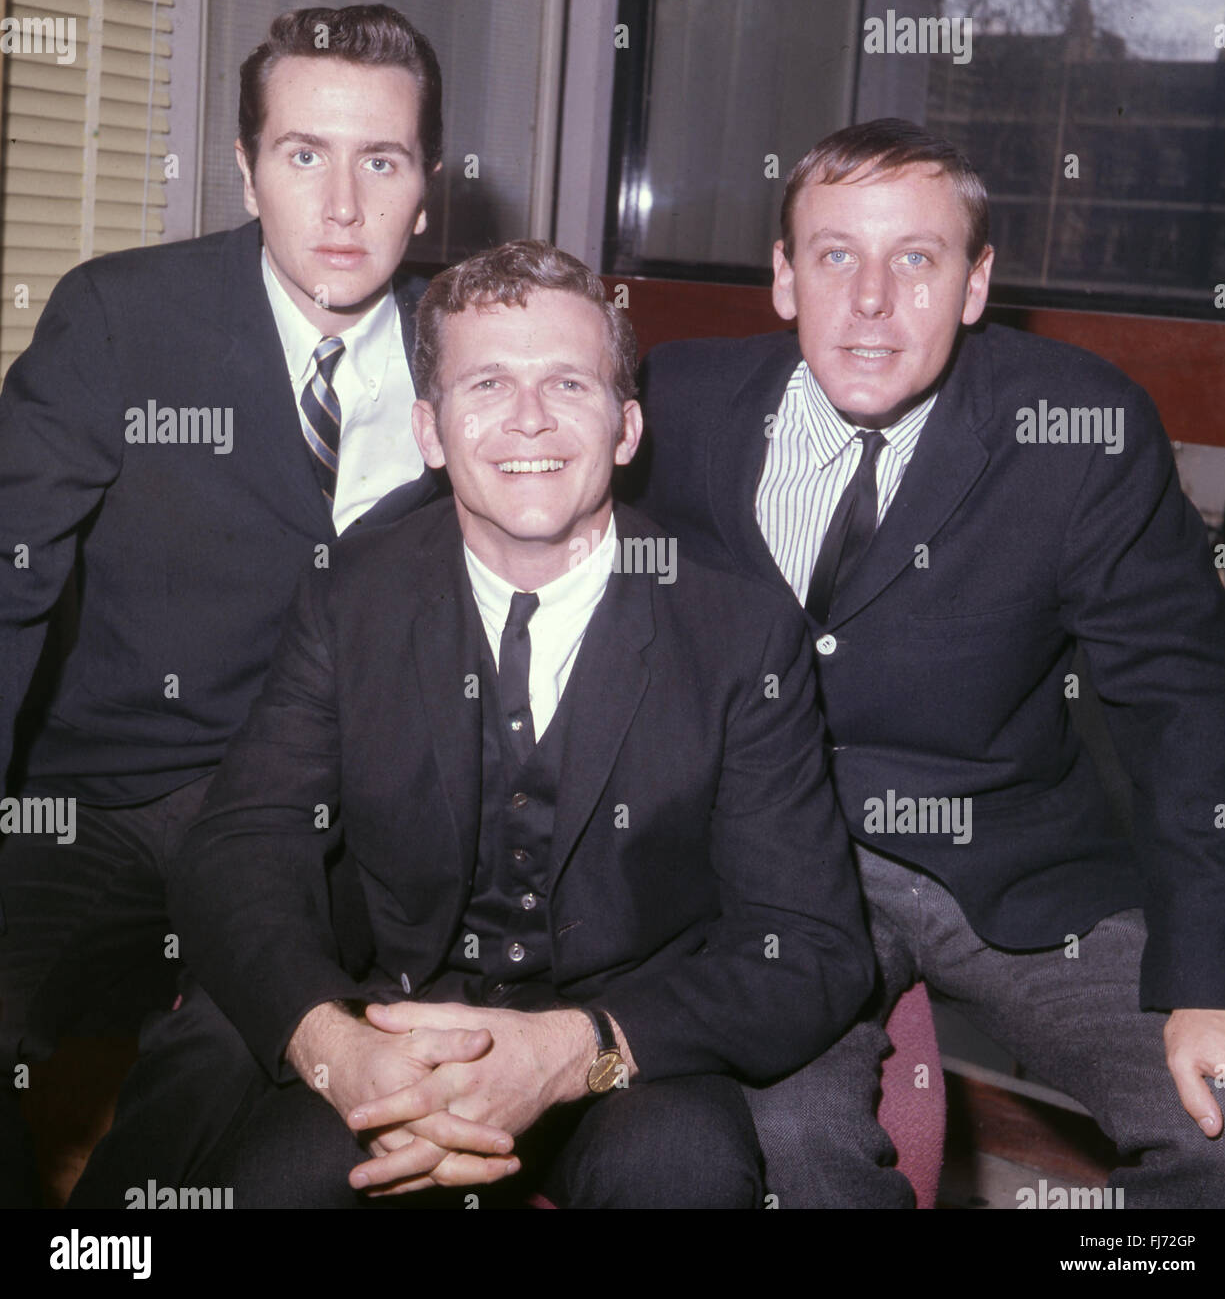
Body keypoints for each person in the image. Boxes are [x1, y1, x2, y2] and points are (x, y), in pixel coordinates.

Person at [80, 240, 873, 1209]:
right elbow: (238, 844)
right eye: (487, 382)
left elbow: (812, 944)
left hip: (627, 1047)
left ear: (626, 427)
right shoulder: (352, 595)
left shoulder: (741, 628)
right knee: (275, 1186)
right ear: (429, 427)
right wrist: (335, 1046)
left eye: (569, 384)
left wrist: (577, 1049)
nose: (529, 418)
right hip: (396, 1024)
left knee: (685, 1181)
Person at [631, 118, 1225, 1208]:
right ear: (783, 278)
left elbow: (1186, 704)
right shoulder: (678, 405)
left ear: (975, 283)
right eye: (836, 256)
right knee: (796, 1151)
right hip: (777, 871)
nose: (872, 299)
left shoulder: (1080, 429)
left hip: (1019, 864)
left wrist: (1212, 978)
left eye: (916, 258)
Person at [0, 3, 444, 1203]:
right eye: (304, 155)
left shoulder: (475, 345)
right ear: (246, 172)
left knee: (239, 1040)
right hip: (105, 791)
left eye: (382, 161)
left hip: (319, 814)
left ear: (428, 185)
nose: (343, 206)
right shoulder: (119, 317)